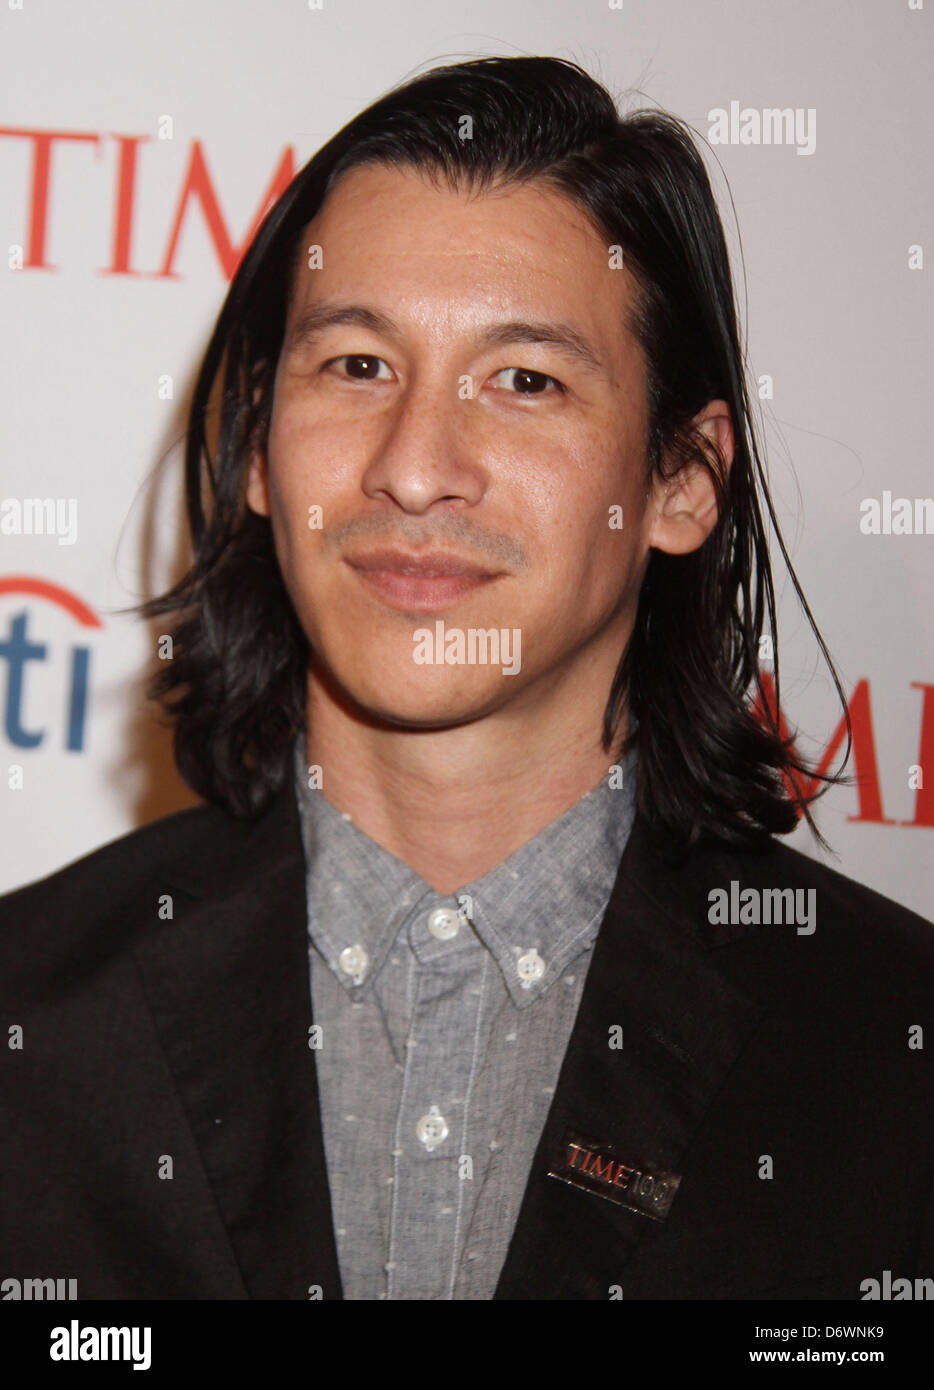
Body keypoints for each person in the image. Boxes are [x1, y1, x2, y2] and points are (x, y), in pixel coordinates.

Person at [1, 55, 931, 1302]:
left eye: (525, 381)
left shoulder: (891, 1057)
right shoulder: (31, 1014)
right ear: (259, 446)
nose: (416, 467)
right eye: (358, 366)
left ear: (681, 481)